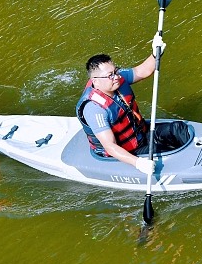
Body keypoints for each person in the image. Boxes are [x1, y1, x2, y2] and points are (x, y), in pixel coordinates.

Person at [76, 34, 191, 175]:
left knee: (178, 129)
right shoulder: (94, 108)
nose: (116, 77)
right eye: (110, 75)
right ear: (96, 81)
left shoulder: (118, 78)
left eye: (116, 71)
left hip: (141, 133)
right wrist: (138, 163)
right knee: (163, 151)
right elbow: (110, 146)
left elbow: (142, 71)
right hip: (128, 150)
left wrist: (155, 54)